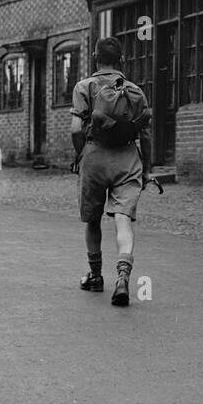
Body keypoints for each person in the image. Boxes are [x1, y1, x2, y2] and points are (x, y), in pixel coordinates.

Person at [71, 36, 154, 307]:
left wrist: (80, 155)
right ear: (122, 60)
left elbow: (74, 129)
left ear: (95, 58)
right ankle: (123, 276)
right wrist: (147, 169)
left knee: (93, 219)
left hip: (94, 155)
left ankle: (95, 276)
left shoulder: (84, 86)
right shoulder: (135, 90)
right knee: (123, 219)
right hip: (128, 158)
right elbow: (146, 134)